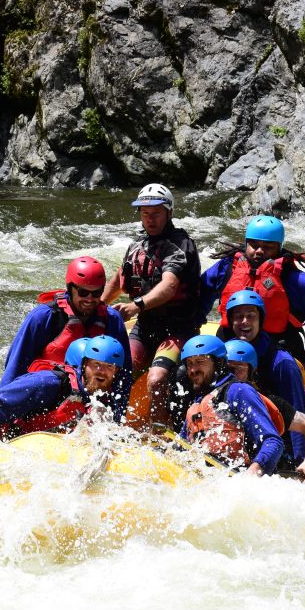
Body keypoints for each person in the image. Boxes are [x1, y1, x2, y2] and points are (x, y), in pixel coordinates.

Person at [102, 183, 201, 427]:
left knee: (157, 378)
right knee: (114, 368)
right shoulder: (138, 245)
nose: (150, 219)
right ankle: (109, 426)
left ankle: (159, 432)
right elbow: (119, 278)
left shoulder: (181, 245)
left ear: (169, 212)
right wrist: (98, 305)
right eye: (145, 213)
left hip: (178, 329)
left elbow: (169, 286)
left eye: (156, 213)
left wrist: (136, 305)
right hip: (146, 327)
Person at [196, 215, 305, 382]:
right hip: (230, 341)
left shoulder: (298, 281)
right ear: (246, 243)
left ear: (279, 248)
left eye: (268, 247)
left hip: (278, 349)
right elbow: (200, 295)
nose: (259, 251)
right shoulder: (226, 268)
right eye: (254, 245)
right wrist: (194, 325)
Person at [0, 335, 129, 456]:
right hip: (8, 442)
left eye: (109, 367)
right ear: (84, 364)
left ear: (116, 371)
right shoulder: (49, 382)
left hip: (41, 452)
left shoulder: (103, 397)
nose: (102, 371)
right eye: (96, 364)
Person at [0, 256, 132, 391]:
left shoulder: (112, 319)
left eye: (96, 293)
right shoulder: (43, 317)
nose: (89, 299)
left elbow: (123, 374)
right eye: (83, 292)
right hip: (46, 392)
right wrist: (5, 397)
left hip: (91, 394)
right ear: (70, 288)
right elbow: (15, 368)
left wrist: (119, 404)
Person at [224, 290, 305, 472]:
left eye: (251, 316)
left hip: (278, 430)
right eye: (238, 316)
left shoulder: (282, 364)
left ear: (261, 320)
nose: (244, 322)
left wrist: (302, 463)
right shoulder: (224, 351)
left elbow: (299, 416)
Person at [177, 335, 283, 476]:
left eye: (200, 361)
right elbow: (180, 447)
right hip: (205, 477)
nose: (192, 370)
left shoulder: (238, 391)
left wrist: (253, 473)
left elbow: (273, 441)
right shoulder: (198, 402)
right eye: (189, 363)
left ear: (218, 363)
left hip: (239, 476)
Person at [225, 339, 305, 482]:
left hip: (265, 469)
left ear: (250, 372)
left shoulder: (268, 402)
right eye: (227, 369)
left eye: (239, 368)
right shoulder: (212, 397)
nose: (232, 374)